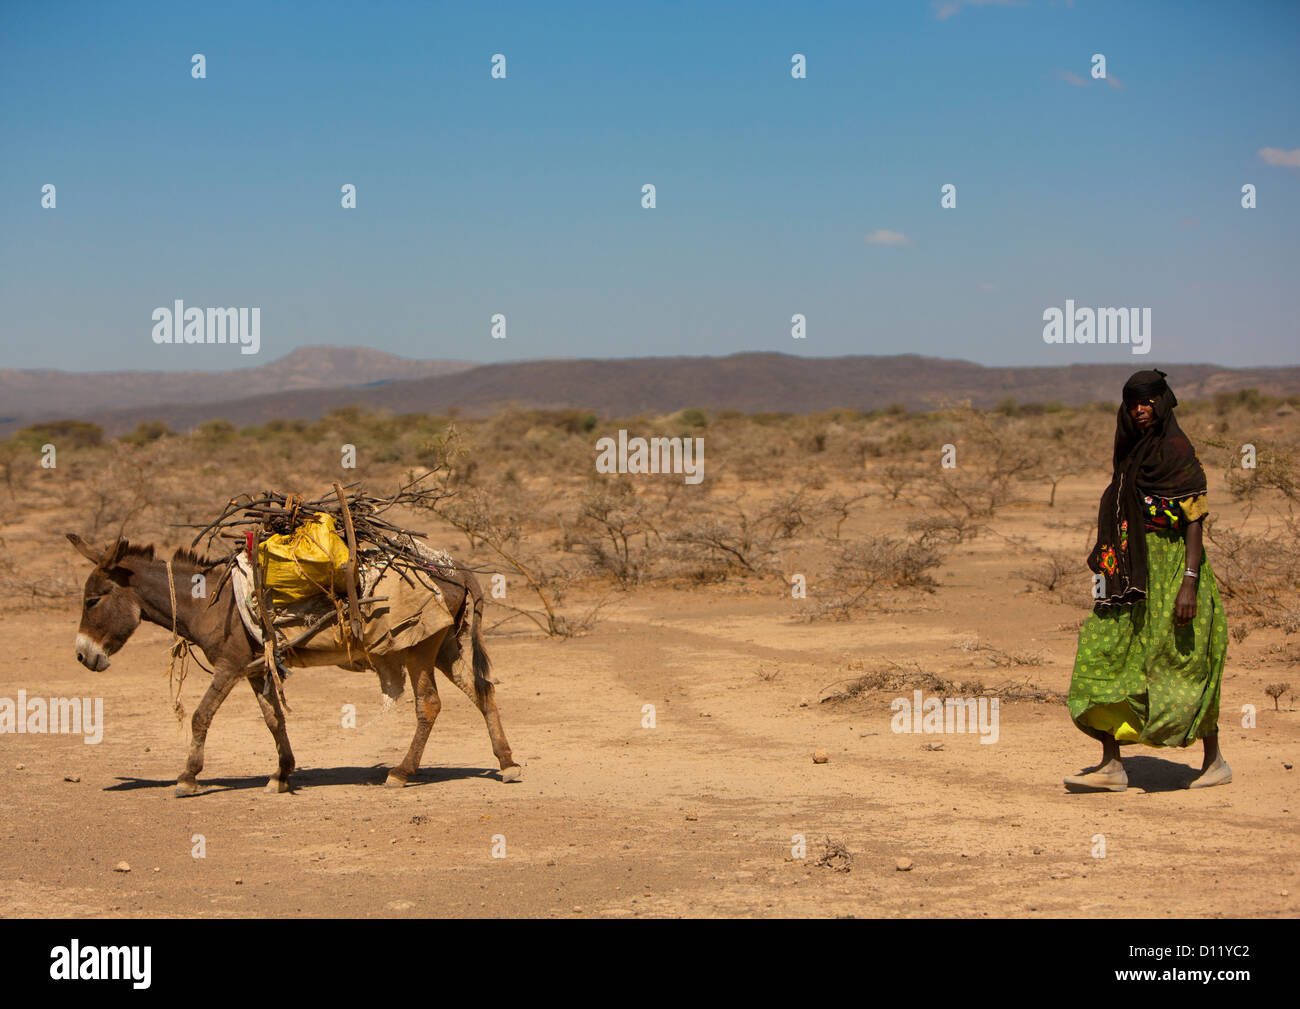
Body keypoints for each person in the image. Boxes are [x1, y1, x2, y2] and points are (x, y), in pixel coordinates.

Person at [1064, 369, 1231, 791]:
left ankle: (1214, 761)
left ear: (1164, 401)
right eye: (1133, 401)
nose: (1140, 409)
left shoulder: (1177, 448)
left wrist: (1189, 581)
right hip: (1129, 570)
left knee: (1183, 660)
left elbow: (1194, 519)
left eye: (1148, 401)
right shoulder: (1130, 446)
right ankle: (1112, 764)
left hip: (1175, 565)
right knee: (1106, 653)